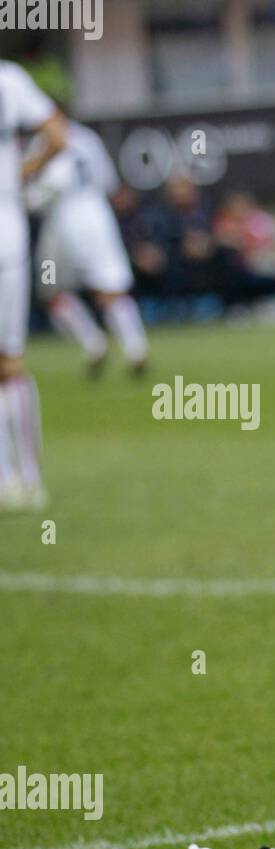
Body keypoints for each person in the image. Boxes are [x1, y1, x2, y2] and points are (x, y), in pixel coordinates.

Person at [27, 118, 149, 376]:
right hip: (98, 217)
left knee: (51, 291)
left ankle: (93, 343)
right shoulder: (89, 139)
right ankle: (135, 348)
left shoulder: (42, 143)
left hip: (61, 223)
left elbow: (42, 193)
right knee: (110, 287)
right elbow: (108, 182)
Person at [0, 59, 66, 512]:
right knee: (10, 363)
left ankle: (8, 479)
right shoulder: (8, 78)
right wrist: (19, 175)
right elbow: (57, 136)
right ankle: (28, 478)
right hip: (6, 236)